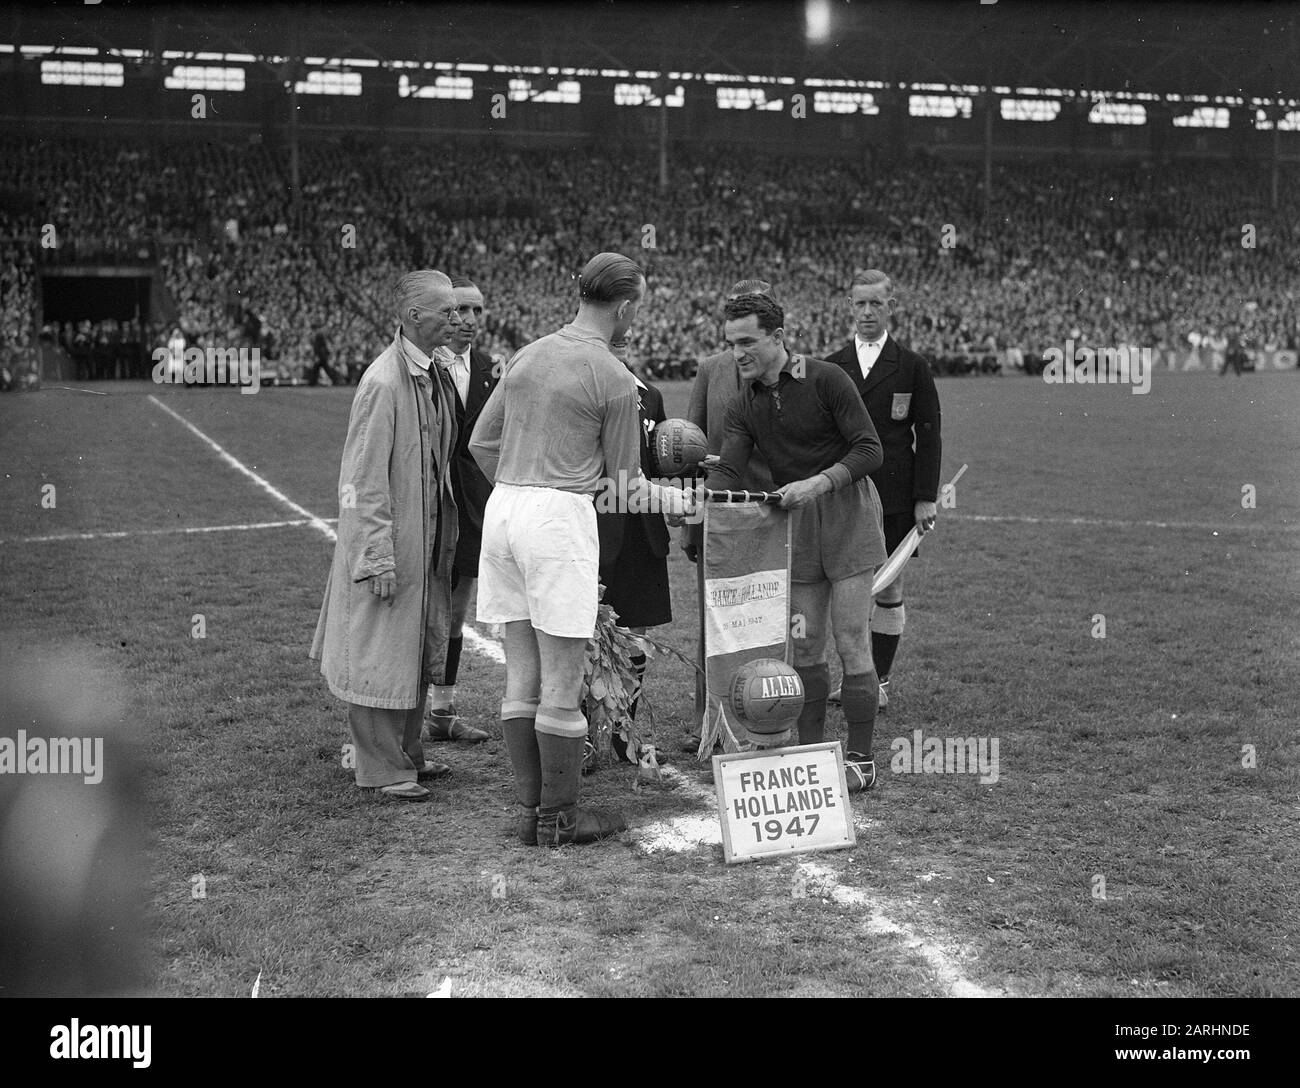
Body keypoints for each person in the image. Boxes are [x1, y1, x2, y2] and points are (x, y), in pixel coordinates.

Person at [469, 252, 690, 846]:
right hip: (556, 520)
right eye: (634, 311)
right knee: (563, 682)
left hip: (504, 509)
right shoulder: (614, 377)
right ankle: (560, 818)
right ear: (622, 308)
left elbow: (480, 443)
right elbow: (626, 486)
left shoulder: (527, 355)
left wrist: (526, 483)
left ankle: (528, 810)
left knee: (522, 676)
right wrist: (679, 502)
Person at [708, 293, 886, 792]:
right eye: (730, 344)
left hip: (847, 512)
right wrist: (697, 493)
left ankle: (860, 757)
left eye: (747, 342)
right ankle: (812, 756)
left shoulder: (827, 379)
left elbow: (870, 449)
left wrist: (818, 482)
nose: (737, 354)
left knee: (852, 639)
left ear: (779, 338)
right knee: (805, 647)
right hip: (796, 527)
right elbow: (728, 471)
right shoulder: (742, 405)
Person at [310, 270, 463, 802]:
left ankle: (407, 754)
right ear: (413, 315)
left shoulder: (433, 371)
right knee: (377, 653)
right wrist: (375, 555)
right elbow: (362, 480)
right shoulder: (382, 382)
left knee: (417, 646)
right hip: (391, 544)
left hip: (427, 539)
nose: (457, 317)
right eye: (446, 310)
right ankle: (379, 767)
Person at [824, 270, 941, 715]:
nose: (867, 312)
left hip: (894, 495)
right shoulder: (832, 365)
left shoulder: (913, 366)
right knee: (846, 588)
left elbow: (928, 435)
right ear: (849, 306)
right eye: (860, 303)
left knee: (888, 589)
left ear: (892, 305)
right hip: (846, 493)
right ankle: (854, 677)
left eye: (876, 303)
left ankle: (880, 681)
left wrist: (925, 496)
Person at [681, 279, 779, 737]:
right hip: (719, 512)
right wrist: (691, 523)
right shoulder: (711, 369)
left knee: (770, 618)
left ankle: (771, 712)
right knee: (716, 621)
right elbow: (691, 448)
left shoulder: (792, 371)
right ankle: (711, 719)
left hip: (775, 512)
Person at [423, 276, 498, 744]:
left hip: (473, 505)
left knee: (455, 609)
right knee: (423, 607)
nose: (469, 321)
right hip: (432, 502)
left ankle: (443, 710)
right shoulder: (423, 365)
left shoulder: (493, 368)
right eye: (461, 310)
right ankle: (412, 714)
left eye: (477, 312)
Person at [597, 335, 671, 767]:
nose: (621, 338)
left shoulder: (651, 395)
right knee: (583, 634)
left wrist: (690, 464)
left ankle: (625, 732)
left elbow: (658, 462)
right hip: (594, 523)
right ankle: (584, 736)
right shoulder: (581, 389)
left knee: (638, 635)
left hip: (641, 527)